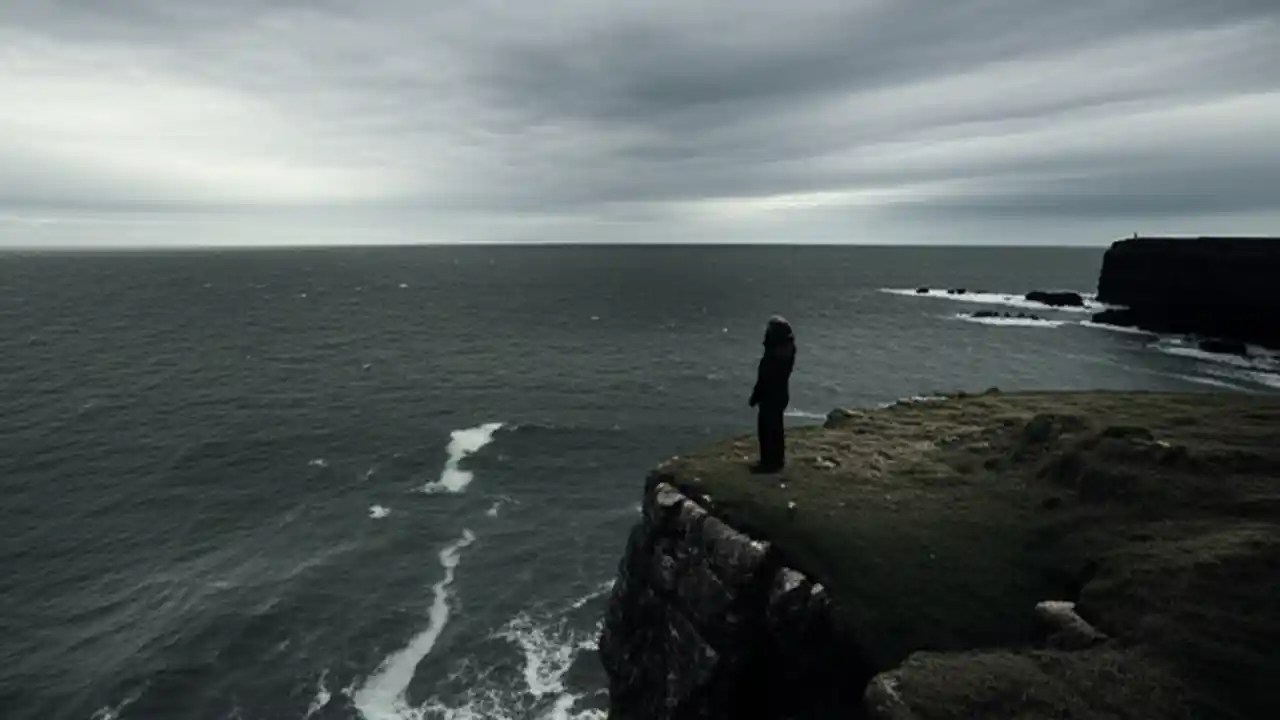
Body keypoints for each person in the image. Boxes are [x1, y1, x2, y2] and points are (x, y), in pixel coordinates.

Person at [748, 316, 796, 473]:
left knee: (768, 428)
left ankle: (769, 461)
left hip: (771, 396)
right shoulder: (785, 351)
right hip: (779, 395)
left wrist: (756, 395)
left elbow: (766, 378)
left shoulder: (776, 354)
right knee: (775, 428)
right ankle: (774, 459)